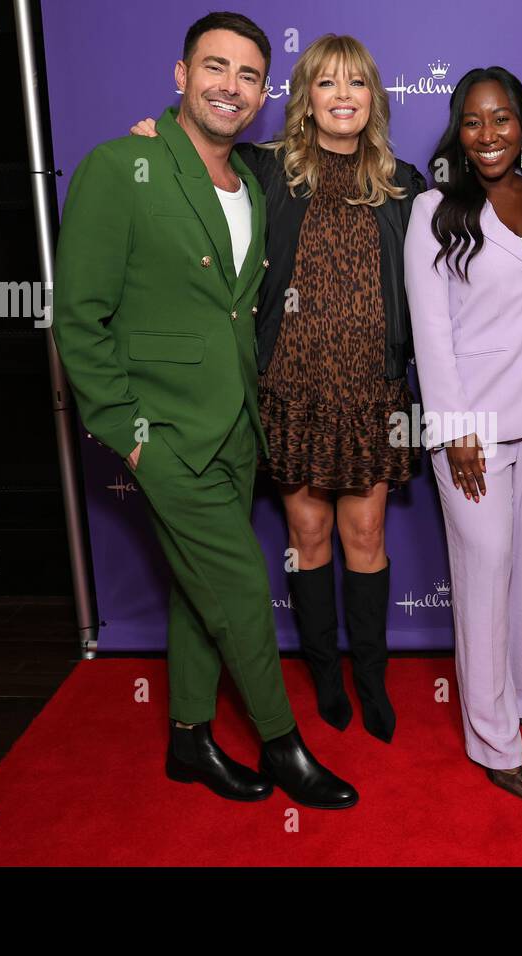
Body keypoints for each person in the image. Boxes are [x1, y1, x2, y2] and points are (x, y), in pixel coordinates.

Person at [52, 11, 356, 808]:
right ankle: (285, 747)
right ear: (181, 75)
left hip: (235, 429)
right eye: (215, 68)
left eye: (249, 75)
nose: (231, 86)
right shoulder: (122, 167)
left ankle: (187, 739)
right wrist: (129, 435)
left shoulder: (251, 183)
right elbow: (78, 316)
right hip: (164, 435)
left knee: (195, 592)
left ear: (262, 95)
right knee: (241, 588)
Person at [133, 34, 425, 743]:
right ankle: (326, 675)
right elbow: (188, 167)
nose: (344, 96)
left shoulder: (405, 181)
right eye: (328, 84)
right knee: (310, 533)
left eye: (356, 83)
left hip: (372, 392)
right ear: (307, 99)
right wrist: (149, 138)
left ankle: (372, 680)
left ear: (373, 99)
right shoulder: (266, 169)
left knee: (366, 535)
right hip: (290, 387)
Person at [405, 67, 522, 799]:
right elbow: (431, 332)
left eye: (502, 118)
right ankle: (491, 736)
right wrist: (454, 429)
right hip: (473, 427)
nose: (489, 134)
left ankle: (521, 701)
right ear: (458, 130)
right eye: (473, 121)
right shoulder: (436, 210)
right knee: (487, 566)